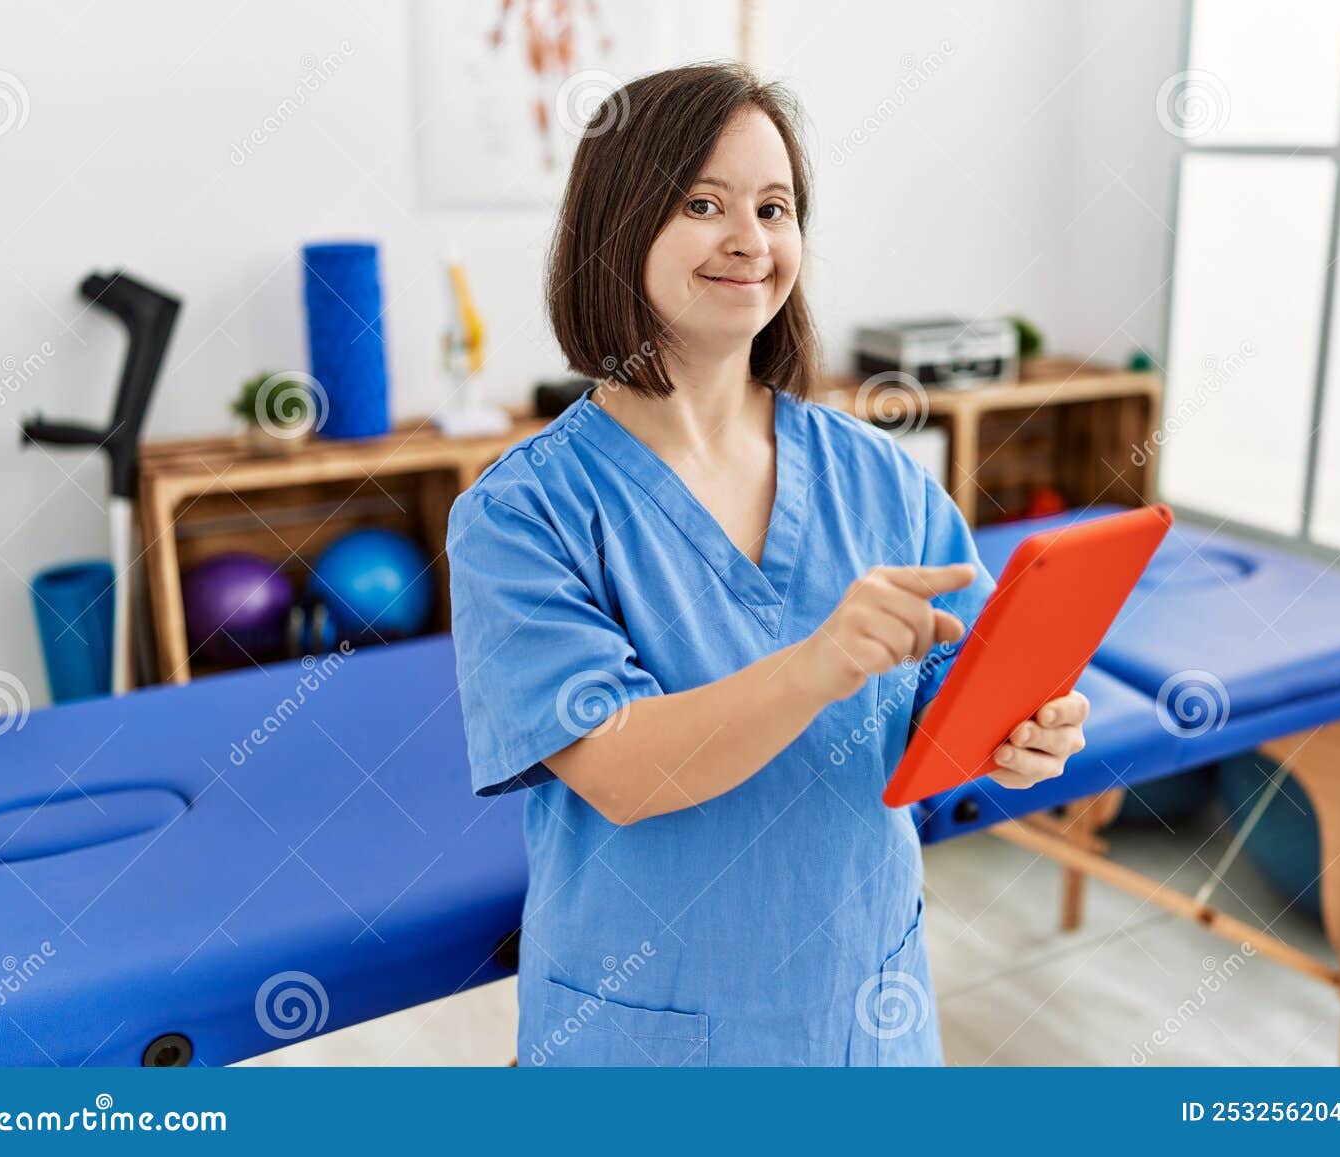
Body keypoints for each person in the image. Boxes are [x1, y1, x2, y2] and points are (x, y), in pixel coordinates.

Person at [448, 62, 1088, 1067]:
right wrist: (816, 663)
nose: (750, 240)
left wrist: (1019, 729)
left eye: (775, 206)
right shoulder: (524, 510)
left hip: (860, 1020)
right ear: (617, 227)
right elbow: (616, 767)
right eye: (703, 203)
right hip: (642, 1039)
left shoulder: (882, 477)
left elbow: (945, 697)